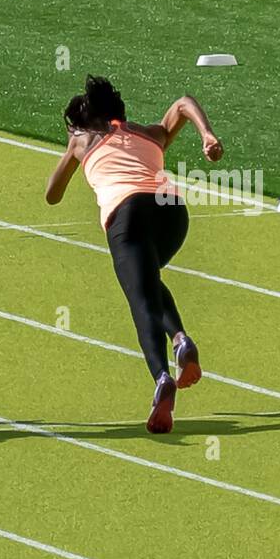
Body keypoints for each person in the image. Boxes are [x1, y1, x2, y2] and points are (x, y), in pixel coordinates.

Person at [45, 75, 223, 434]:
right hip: (171, 211)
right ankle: (181, 340)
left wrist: (71, 149)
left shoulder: (83, 140)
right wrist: (207, 135)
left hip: (126, 214)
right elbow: (184, 102)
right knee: (150, 279)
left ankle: (161, 377)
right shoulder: (151, 134)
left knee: (140, 300)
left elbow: (52, 194)